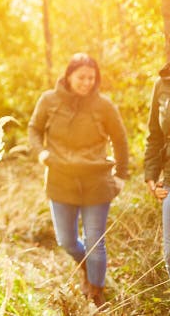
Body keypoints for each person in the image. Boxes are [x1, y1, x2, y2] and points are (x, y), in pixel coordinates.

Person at [28, 53, 128, 307]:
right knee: (66, 241)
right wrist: (41, 153)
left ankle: (96, 292)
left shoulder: (103, 105)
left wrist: (121, 176)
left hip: (97, 182)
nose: (86, 83)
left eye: (91, 78)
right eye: (81, 77)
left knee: (96, 242)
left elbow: (120, 139)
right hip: (61, 181)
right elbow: (34, 129)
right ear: (69, 75)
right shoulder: (49, 100)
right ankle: (86, 267)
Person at [143, 62, 170, 276]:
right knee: (169, 256)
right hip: (169, 180)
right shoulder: (162, 84)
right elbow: (155, 135)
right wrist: (151, 176)